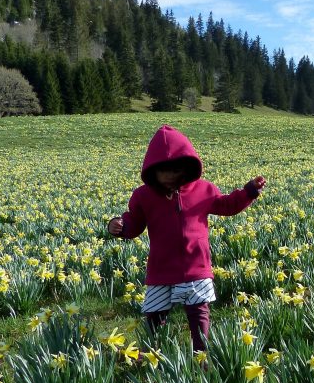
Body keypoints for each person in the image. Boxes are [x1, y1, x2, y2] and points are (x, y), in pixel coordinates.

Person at [108, 124, 265, 353]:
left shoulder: (203, 189)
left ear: (186, 167)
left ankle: (200, 355)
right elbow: (134, 223)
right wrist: (120, 227)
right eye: (164, 172)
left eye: (176, 171)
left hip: (196, 266)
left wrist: (248, 192)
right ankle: (155, 355)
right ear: (153, 171)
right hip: (162, 268)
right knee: (155, 316)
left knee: (199, 314)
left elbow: (227, 205)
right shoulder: (143, 196)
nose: (170, 177)